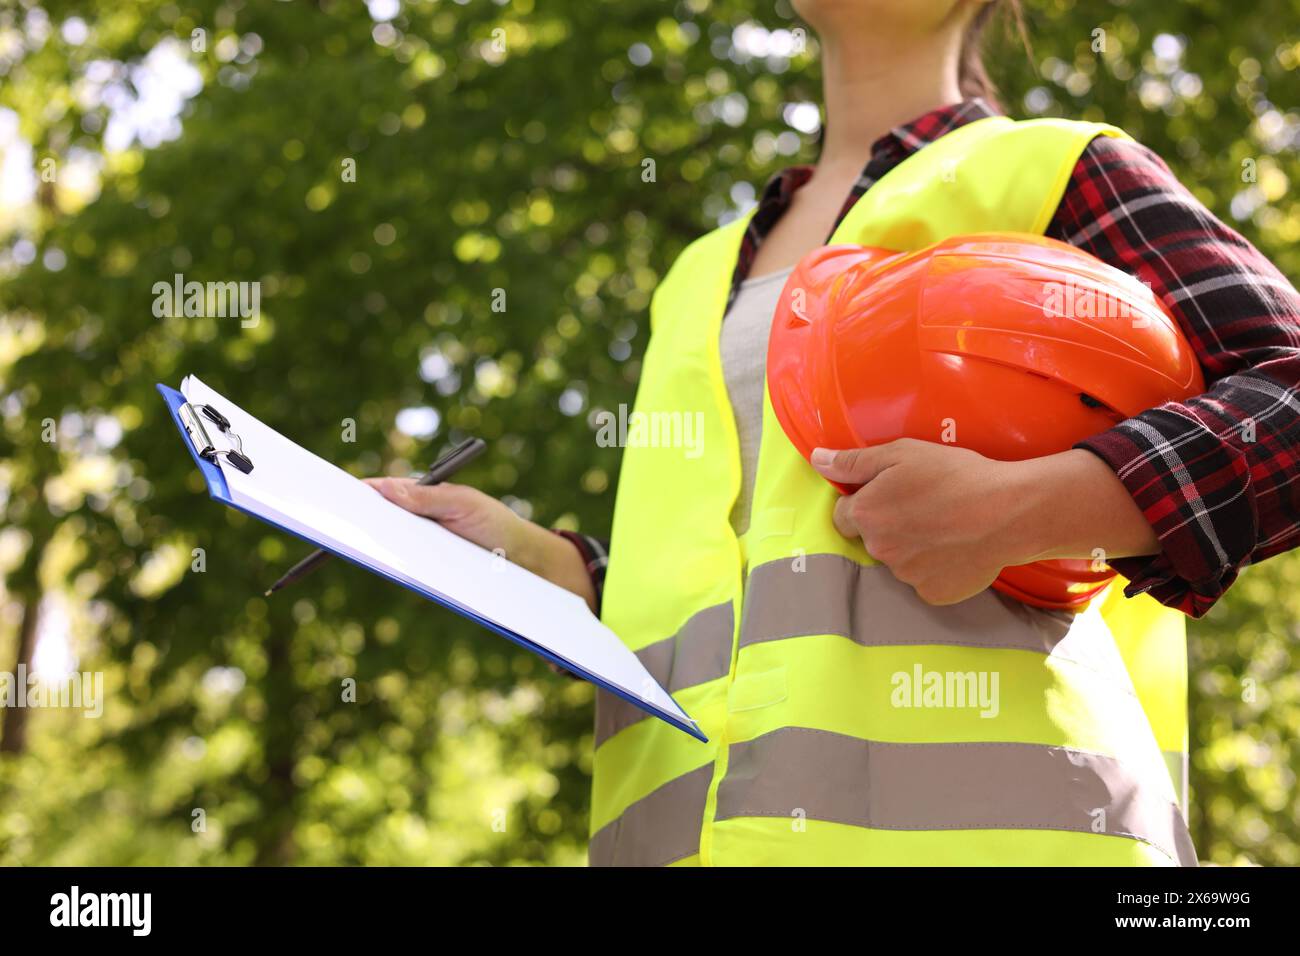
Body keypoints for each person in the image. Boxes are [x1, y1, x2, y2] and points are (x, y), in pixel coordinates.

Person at [371, 0, 1300, 866]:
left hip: (1010, 833)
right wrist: (547, 568)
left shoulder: (1054, 171)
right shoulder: (696, 276)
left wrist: (1027, 510)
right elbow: (746, 584)